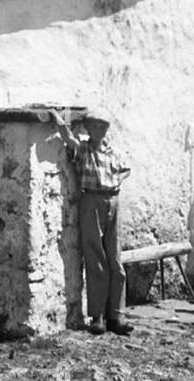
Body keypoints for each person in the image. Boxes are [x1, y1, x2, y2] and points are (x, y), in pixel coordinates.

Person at [50, 107, 133, 336]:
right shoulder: (83, 148)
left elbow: (126, 170)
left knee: (115, 260)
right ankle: (97, 316)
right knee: (95, 258)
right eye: (95, 126)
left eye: (103, 127)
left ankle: (116, 315)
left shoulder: (113, 151)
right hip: (91, 200)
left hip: (113, 201)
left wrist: (119, 178)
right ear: (88, 128)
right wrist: (59, 119)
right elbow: (67, 137)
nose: (100, 130)